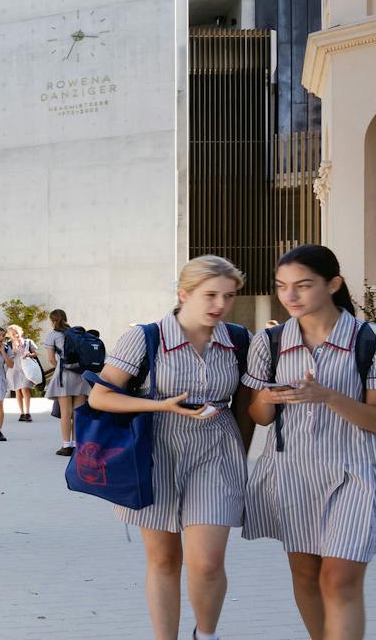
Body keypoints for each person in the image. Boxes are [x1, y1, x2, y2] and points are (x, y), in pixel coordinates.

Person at [89, 255, 255, 640]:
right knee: (164, 559)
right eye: (210, 295)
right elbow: (100, 396)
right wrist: (159, 404)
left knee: (208, 562)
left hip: (217, 451)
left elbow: (245, 407)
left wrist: (239, 458)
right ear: (184, 294)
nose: (220, 305)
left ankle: (206, 635)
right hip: (155, 451)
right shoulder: (146, 337)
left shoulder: (239, 340)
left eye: (229, 296)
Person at [244, 244, 376, 640]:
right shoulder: (268, 343)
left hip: (355, 473)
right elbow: (260, 418)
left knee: (338, 578)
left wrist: (328, 396)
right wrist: (266, 399)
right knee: (305, 573)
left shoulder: (372, 341)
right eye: (282, 286)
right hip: (293, 473)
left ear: (333, 284)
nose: (289, 296)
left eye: (303, 286)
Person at [46, 308, 93, 456]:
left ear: (53, 320)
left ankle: (66, 445)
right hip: (79, 376)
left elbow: (52, 359)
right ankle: (77, 445)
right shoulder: (76, 333)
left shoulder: (53, 335)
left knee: (65, 413)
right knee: (77, 413)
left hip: (64, 376)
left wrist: (60, 366)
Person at [5, 324, 39, 422]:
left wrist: (29, 354)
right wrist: (12, 352)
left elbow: (36, 353)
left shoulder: (28, 342)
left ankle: (27, 413)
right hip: (14, 369)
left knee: (25, 389)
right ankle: (22, 413)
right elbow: (5, 356)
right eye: (12, 334)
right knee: (17, 391)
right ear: (10, 335)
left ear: (20, 332)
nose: (15, 335)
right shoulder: (8, 344)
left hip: (26, 369)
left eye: (16, 333)